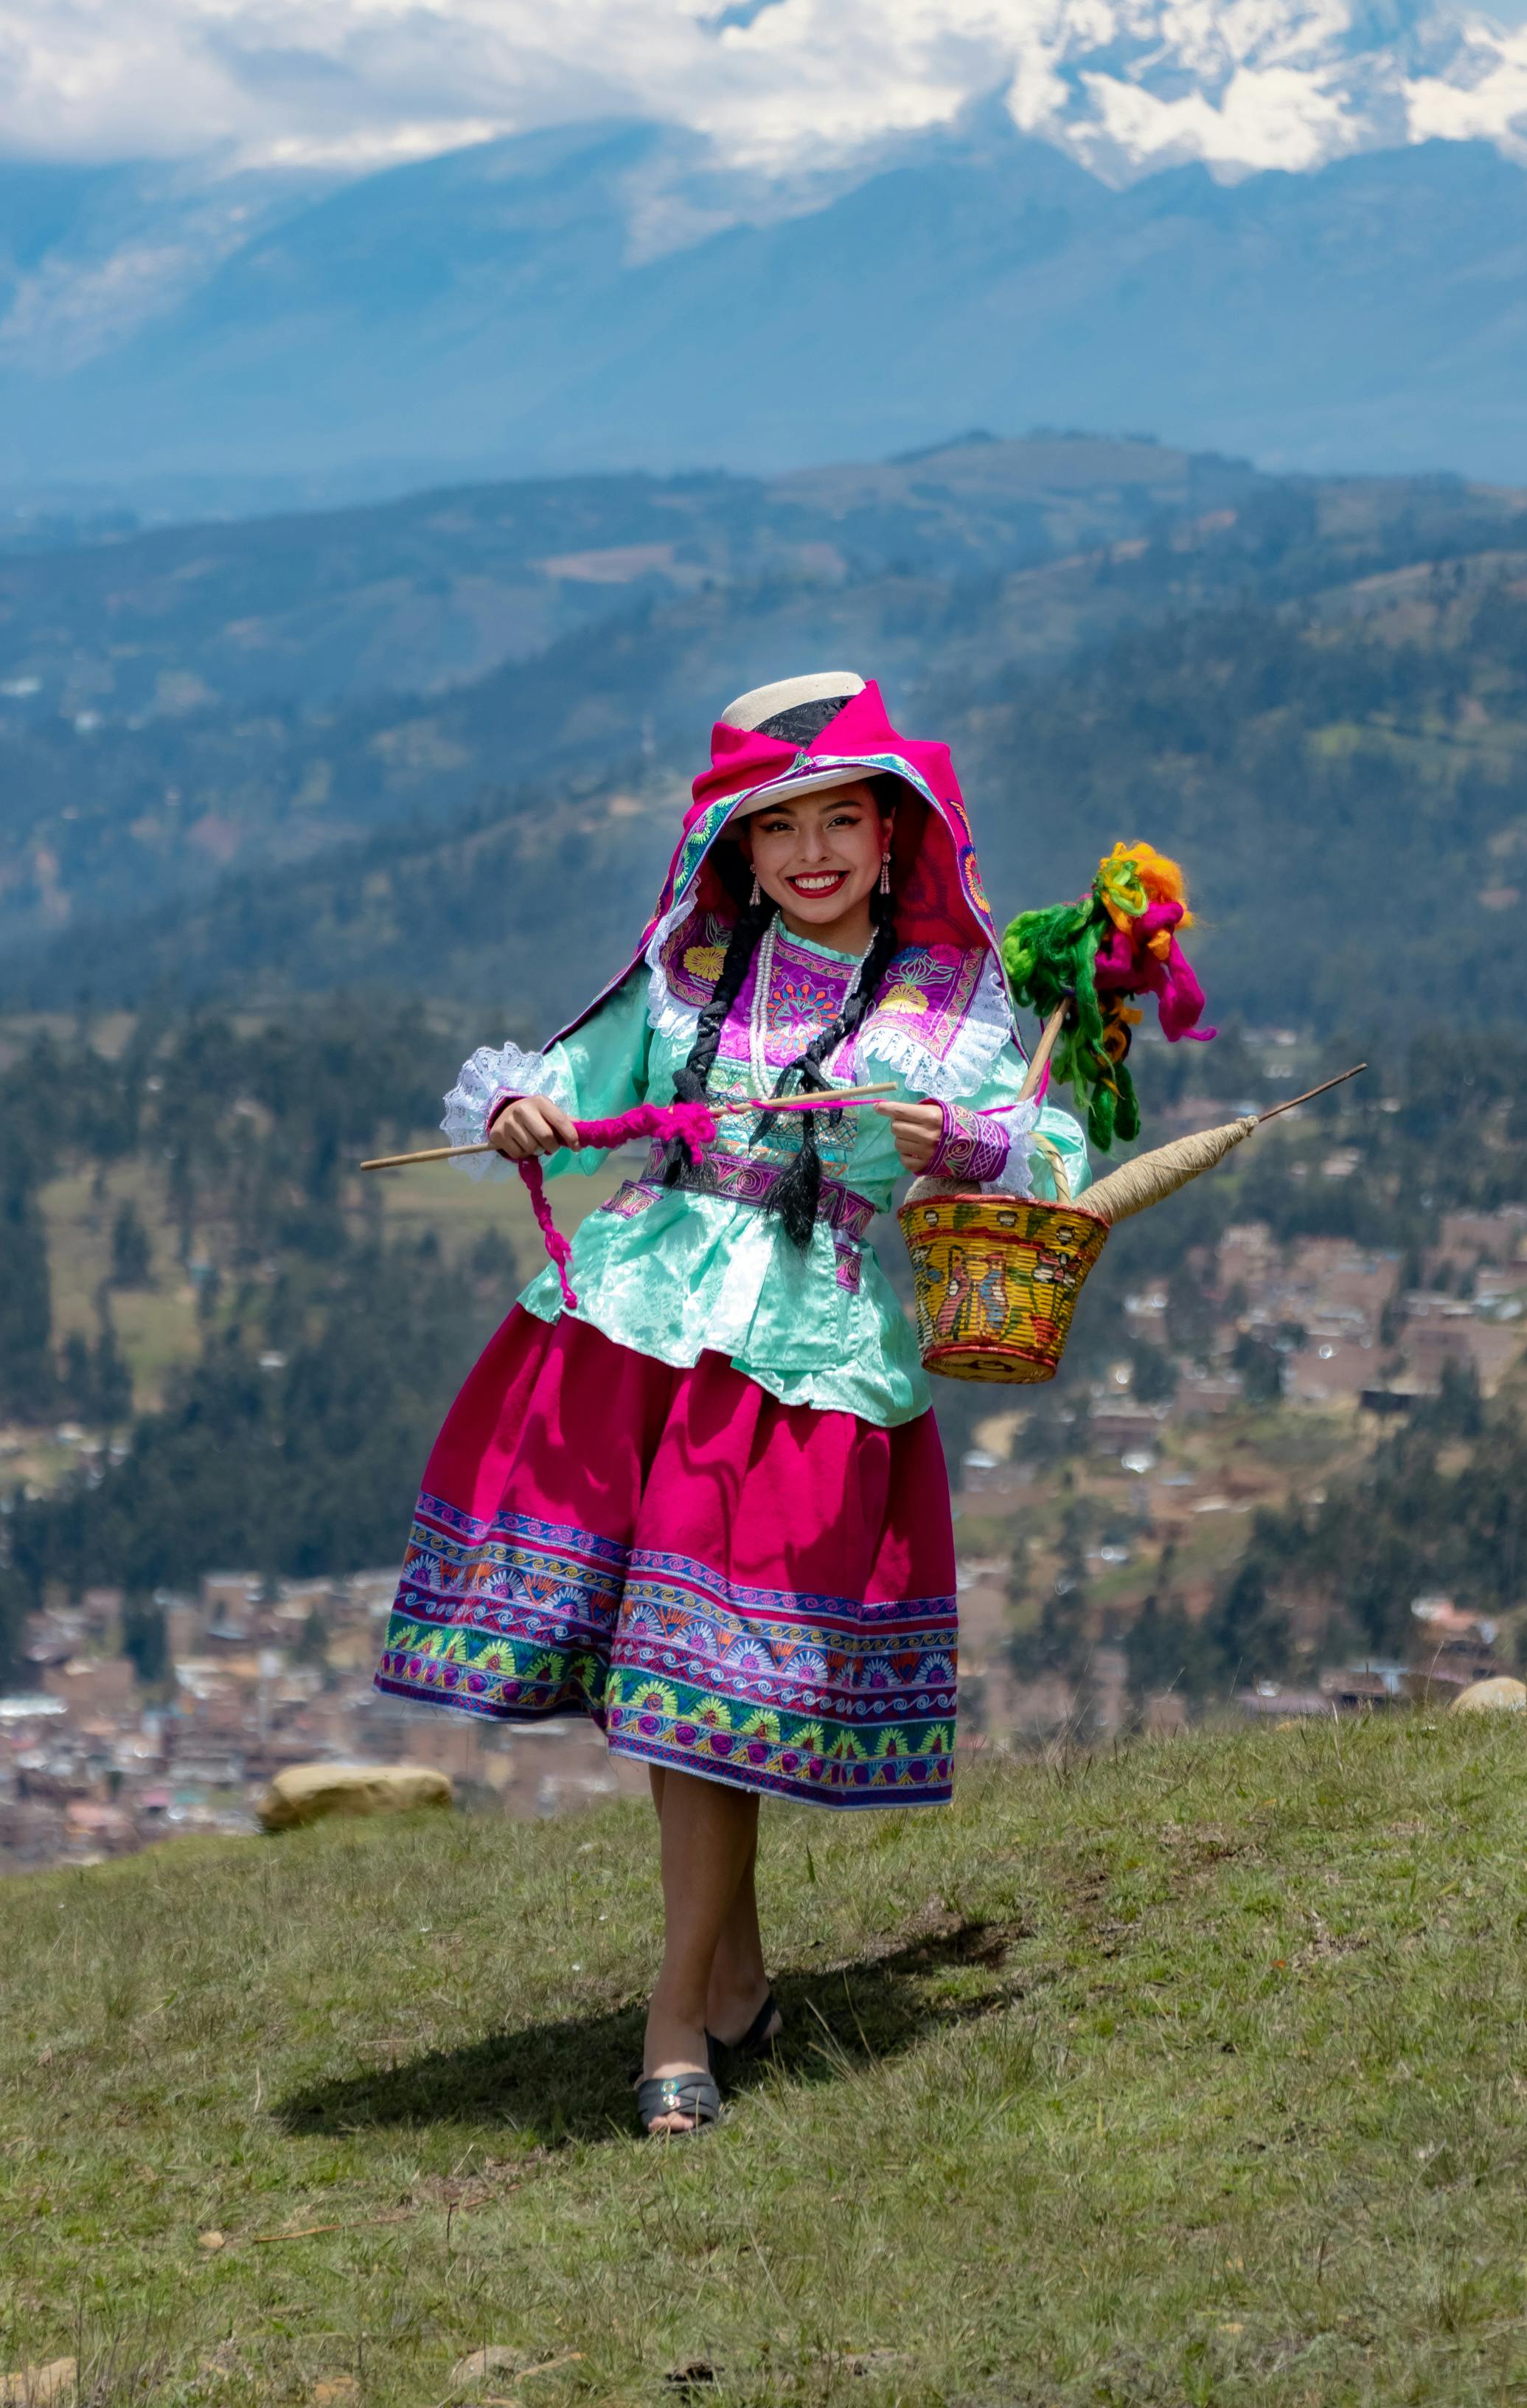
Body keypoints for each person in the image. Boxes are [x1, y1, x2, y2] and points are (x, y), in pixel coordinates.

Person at [376, 673, 1087, 2134]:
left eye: (841, 818)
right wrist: (531, 1107)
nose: (812, 850)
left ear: (895, 835)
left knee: (702, 1689)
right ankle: (728, 1978)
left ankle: (672, 2008)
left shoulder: (951, 1001)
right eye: (781, 825)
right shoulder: (691, 971)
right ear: (738, 846)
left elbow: (1044, 1144)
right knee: (667, 1687)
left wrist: (959, 1139)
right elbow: (581, 1076)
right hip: (632, 1341)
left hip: (806, 1368)